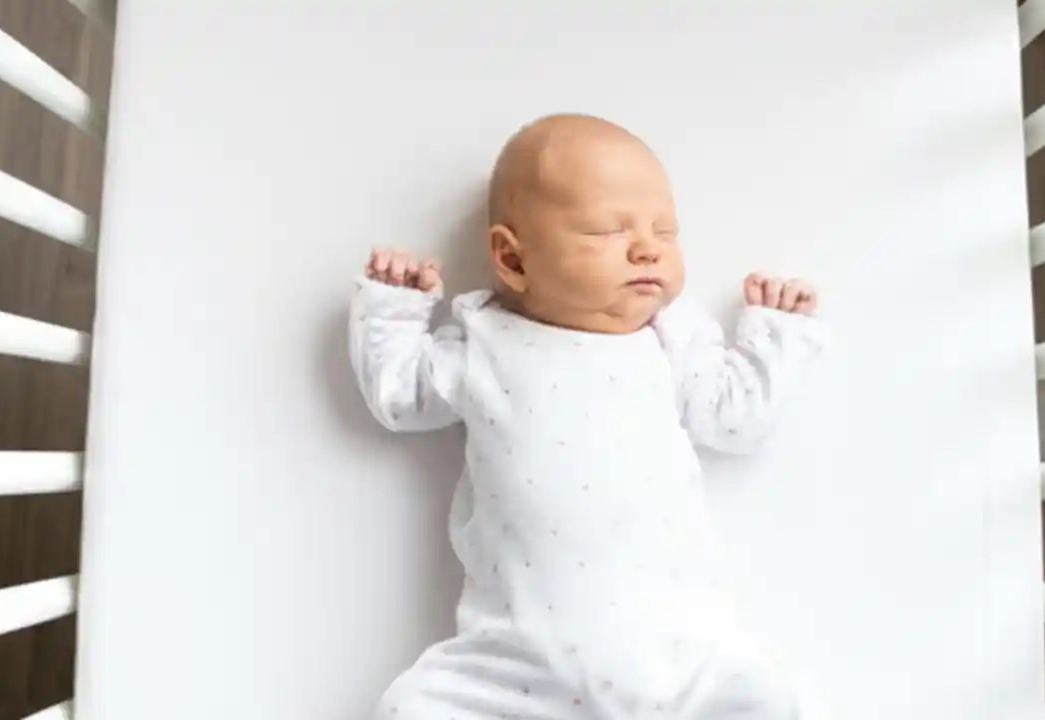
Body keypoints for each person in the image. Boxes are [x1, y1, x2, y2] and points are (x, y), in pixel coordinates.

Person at [351, 113, 823, 719]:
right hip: (514, 661)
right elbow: (400, 398)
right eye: (608, 231)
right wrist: (393, 309)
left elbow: (737, 421)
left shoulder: (670, 340)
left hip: (684, 659)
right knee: (412, 706)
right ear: (513, 259)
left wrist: (774, 336)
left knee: (776, 698)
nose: (647, 246)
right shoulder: (484, 342)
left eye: (665, 230)